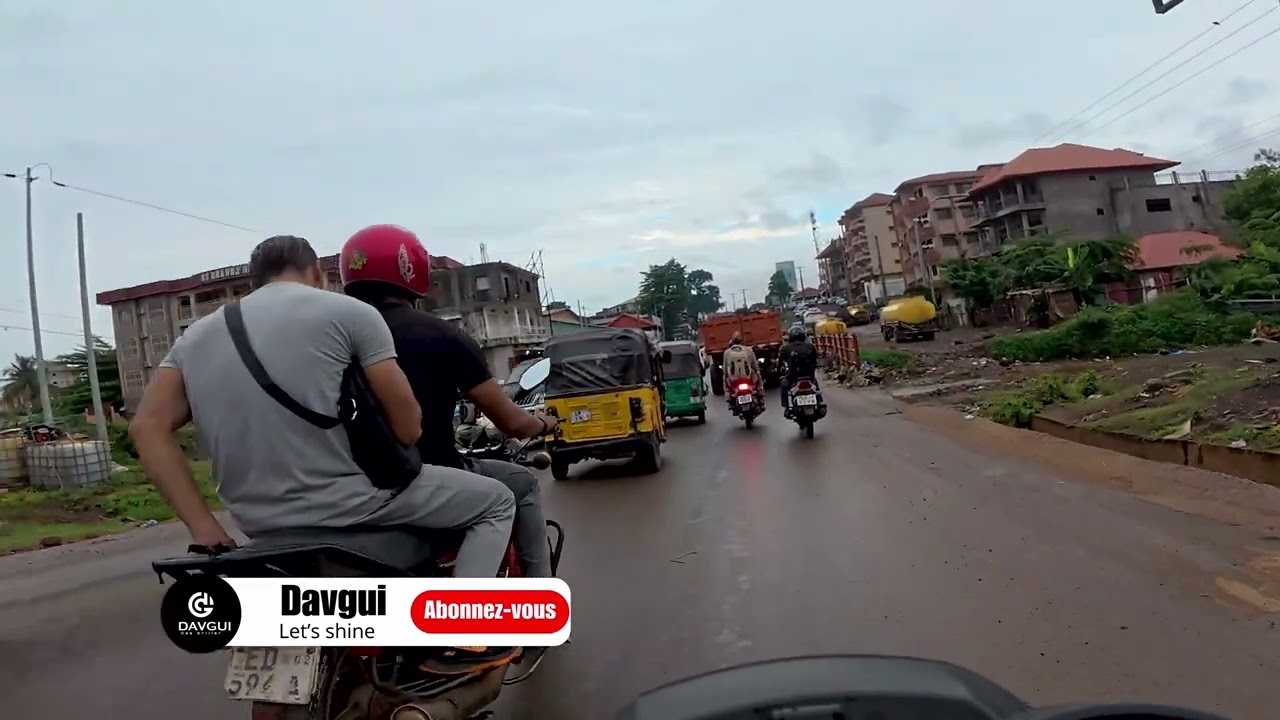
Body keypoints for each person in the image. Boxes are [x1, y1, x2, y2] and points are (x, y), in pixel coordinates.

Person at [128, 235, 519, 672]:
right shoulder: (350, 313)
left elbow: (147, 427)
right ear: (316, 272)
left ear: (252, 280)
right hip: (355, 504)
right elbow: (409, 429)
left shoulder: (195, 337)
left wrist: (205, 529)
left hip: (257, 521)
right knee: (497, 501)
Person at [340, 224, 557, 580]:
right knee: (520, 483)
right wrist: (543, 423)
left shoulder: (332, 338)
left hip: (350, 483)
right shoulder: (442, 335)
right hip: (431, 474)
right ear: (412, 271)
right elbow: (512, 423)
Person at [778, 323, 820, 411]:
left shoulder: (785, 348)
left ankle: (786, 407)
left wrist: (778, 371)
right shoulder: (810, 346)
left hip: (792, 377)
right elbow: (816, 360)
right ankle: (819, 402)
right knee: (815, 384)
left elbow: (780, 362)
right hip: (809, 376)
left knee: (783, 384)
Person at [721, 332, 764, 405]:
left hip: (733, 379)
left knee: (725, 378)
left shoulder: (727, 352)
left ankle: (728, 398)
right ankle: (760, 394)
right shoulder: (748, 350)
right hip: (747, 377)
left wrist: (726, 375)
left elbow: (725, 370)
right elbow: (754, 366)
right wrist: (757, 371)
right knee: (758, 374)